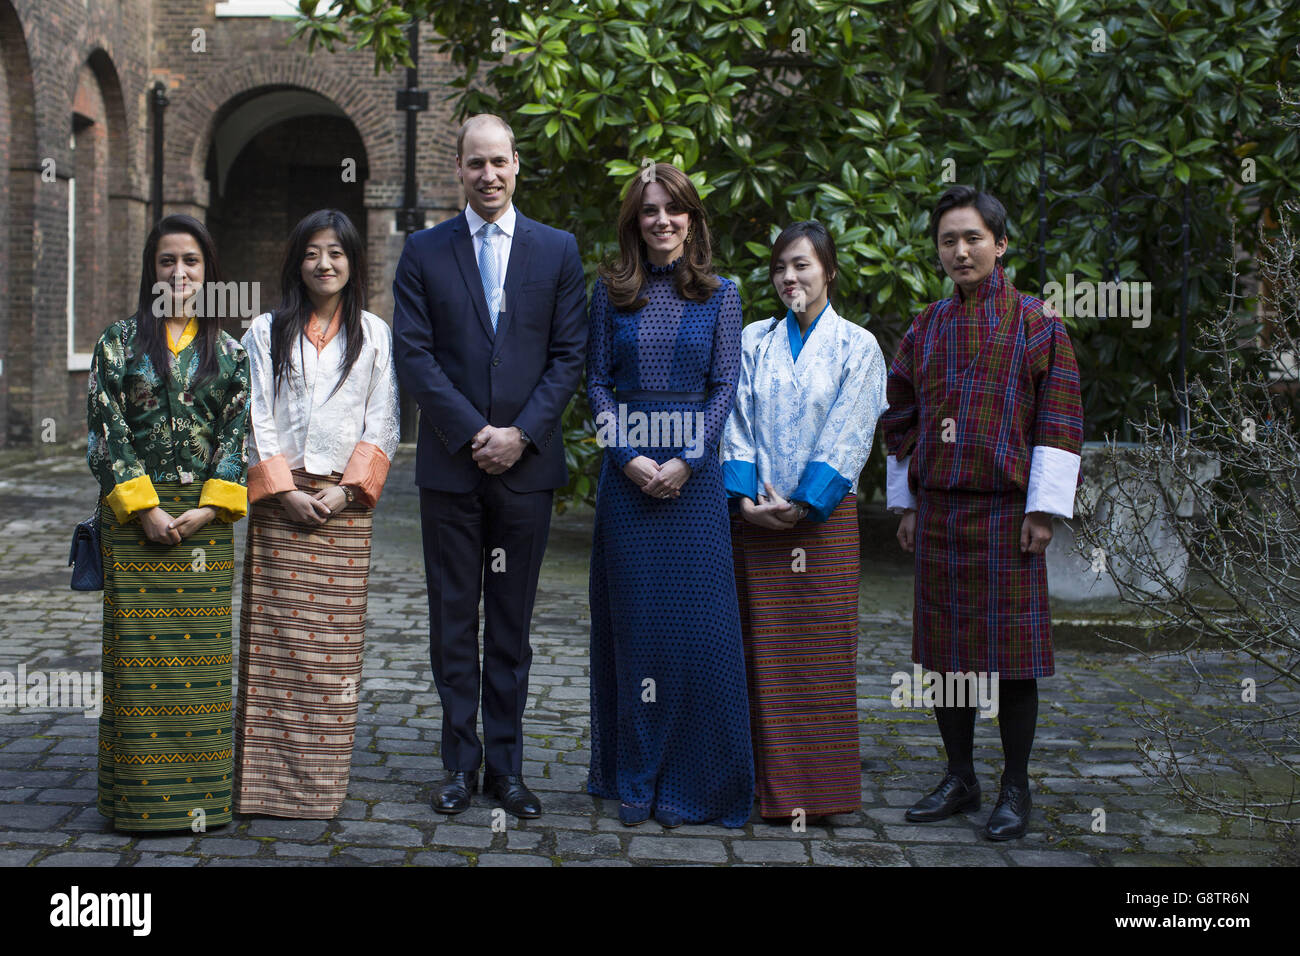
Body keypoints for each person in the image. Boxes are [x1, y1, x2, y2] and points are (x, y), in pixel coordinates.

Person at [393, 114, 587, 819]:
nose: (488, 175)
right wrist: (477, 432)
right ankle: (458, 766)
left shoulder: (557, 251)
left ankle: (507, 768)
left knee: (510, 626)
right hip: (451, 471)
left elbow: (570, 355)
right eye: (475, 164)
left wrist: (521, 434)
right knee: (452, 621)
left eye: (499, 162)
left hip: (526, 474)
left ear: (516, 166)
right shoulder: (424, 251)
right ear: (459, 169)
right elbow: (414, 355)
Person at [881, 185, 1083, 840]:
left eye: (972, 237)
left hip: (1007, 512)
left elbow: (1059, 420)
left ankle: (1015, 786)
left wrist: (1044, 509)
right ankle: (960, 775)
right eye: (948, 240)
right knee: (946, 657)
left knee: (1013, 659)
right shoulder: (926, 327)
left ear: (1000, 243)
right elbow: (900, 414)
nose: (961, 250)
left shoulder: (1038, 323)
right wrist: (907, 500)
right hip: (940, 511)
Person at [586, 162, 754, 829]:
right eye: (650, 211)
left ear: (692, 218)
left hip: (695, 486)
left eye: (674, 210)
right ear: (635, 221)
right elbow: (596, 384)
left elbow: (725, 386)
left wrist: (687, 460)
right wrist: (628, 459)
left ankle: (701, 781)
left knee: (699, 637)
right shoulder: (610, 292)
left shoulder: (723, 294)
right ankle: (634, 775)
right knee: (638, 634)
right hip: (627, 491)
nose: (662, 221)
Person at [232, 209, 399, 819]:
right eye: (311, 253)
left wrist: (345, 492)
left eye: (336, 252)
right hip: (283, 508)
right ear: (296, 263)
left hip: (343, 513)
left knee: (332, 655)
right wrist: (282, 489)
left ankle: (318, 790)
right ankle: (262, 788)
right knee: (275, 650)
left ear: (353, 262)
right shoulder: (265, 331)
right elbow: (254, 415)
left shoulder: (376, 334)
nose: (324, 263)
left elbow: (384, 420)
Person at [87, 214, 250, 831]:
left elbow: (239, 438)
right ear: (150, 271)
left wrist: (208, 509)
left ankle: (199, 801)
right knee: (137, 667)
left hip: (205, 532)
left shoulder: (231, 354)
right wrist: (146, 508)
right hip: (135, 526)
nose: (178, 273)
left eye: (191, 262)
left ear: (209, 273)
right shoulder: (117, 344)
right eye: (166, 262)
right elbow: (105, 433)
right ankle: (137, 803)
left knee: (200, 670)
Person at [720, 221, 887, 822]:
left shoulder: (857, 347)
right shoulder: (751, 341)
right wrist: (743, 500)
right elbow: (732, 421)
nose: (789, 277)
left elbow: (851, 431)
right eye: (780, 268)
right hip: (755, 526)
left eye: (802, 265)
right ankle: (756, 788)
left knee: (818, 655)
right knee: (753, 652)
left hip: (823, 527)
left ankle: (816, 793)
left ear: (829, 271)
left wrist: (806, 502)